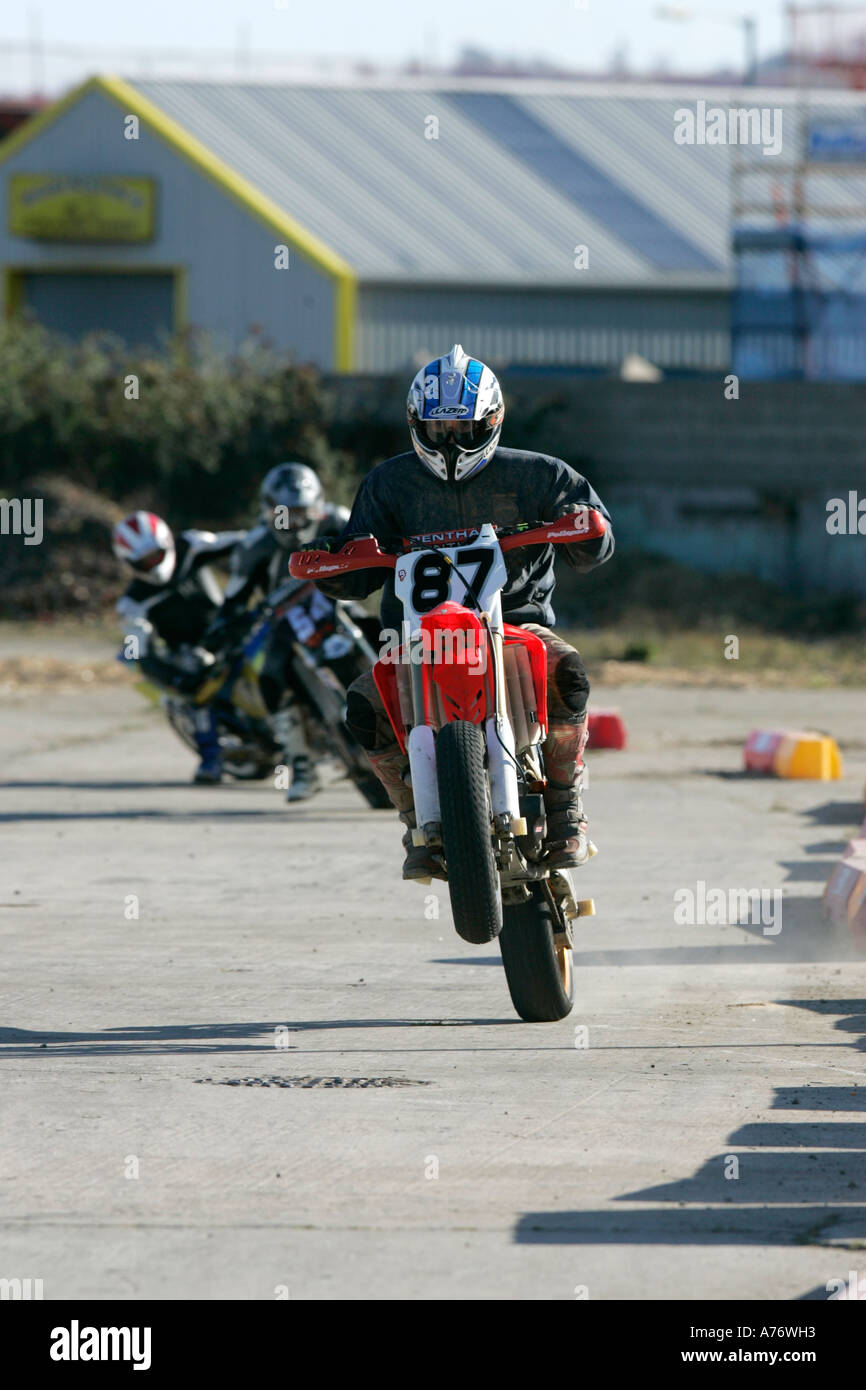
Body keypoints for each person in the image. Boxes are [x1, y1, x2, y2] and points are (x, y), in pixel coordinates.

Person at [313, 345, 615, 879]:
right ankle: (416, 822)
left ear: (493, 421)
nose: (450, 442)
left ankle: (567, 810)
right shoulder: (388, 483)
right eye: (437, 430)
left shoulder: (542, 475)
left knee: (567, 672)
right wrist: (335, 561)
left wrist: (582, 523)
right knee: (362, 705)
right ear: (415, 424)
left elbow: (595, 541)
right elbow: (355, 571)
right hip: (414, 638)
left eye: (465, 430)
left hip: (518, 624)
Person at [220, 463, 350, 800]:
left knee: (387, 639)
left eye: (303, 513)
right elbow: (234, 597)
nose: (295, 522)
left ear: (318, 507)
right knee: (271, 676)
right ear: (269, 511)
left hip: (339, 607)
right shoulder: (255, 546)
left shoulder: (342, 521)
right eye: (286, 514)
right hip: (285, 623)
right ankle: (301, 764)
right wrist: (227, 626)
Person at [112, 511, 244, 783]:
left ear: (168, 544)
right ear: (129, 563)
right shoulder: (132, 603)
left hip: (225, 628)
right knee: (196, 689)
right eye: (143, 561)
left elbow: (245, 541)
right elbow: (138, 651)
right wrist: (175, 678)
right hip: (186, 651)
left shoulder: (192, 545)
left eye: (156, 556)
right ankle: (211, 757)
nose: (152, 565)